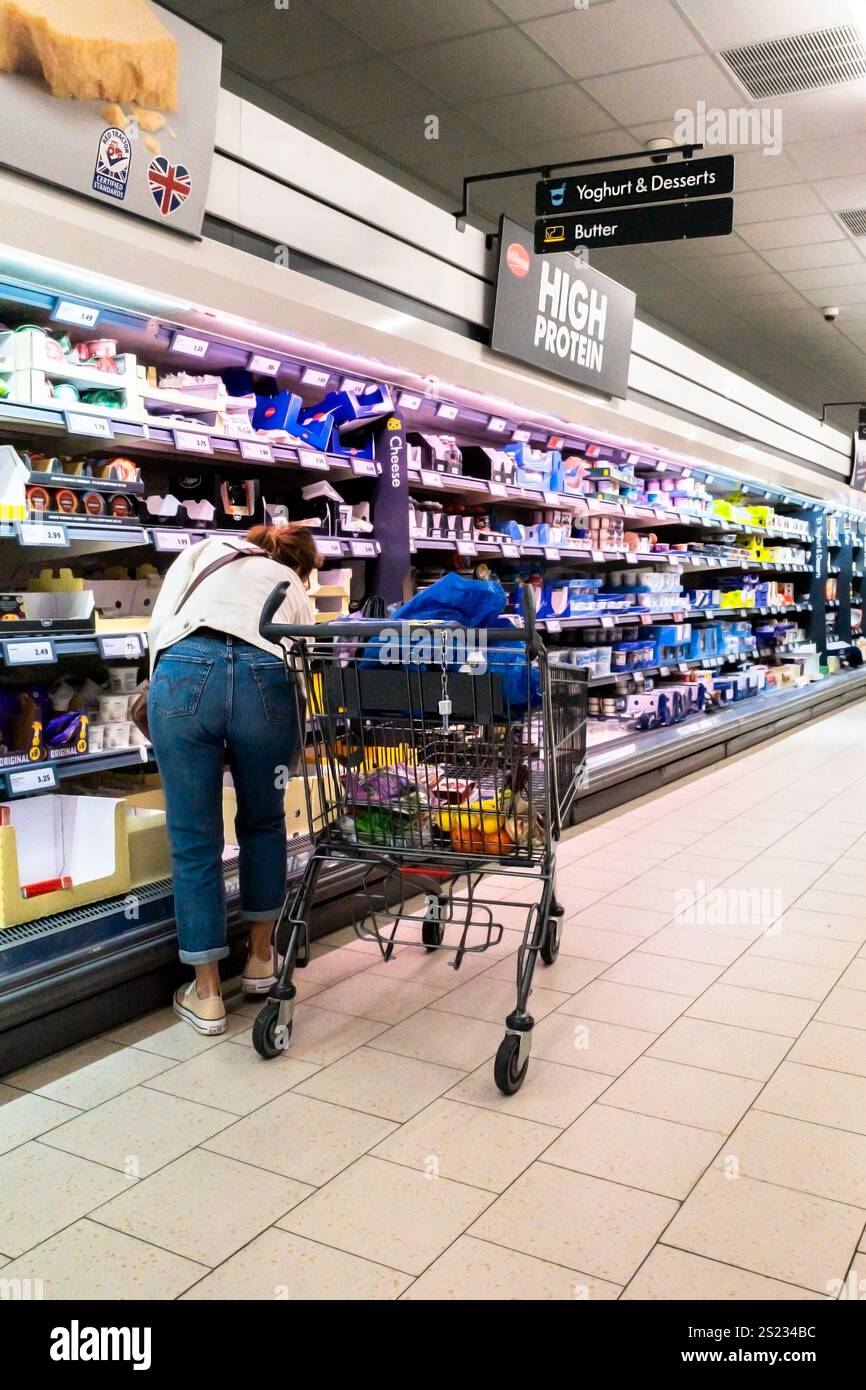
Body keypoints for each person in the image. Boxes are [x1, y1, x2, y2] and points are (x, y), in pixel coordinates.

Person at [146, 523, 320, 1035]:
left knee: (194, 840)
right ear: (300, 564)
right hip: (266, 682)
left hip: (183, 674)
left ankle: (206, 996)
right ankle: (262, 961)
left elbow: (160, 630)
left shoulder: (202, 550)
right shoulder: (289, 583)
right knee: (264, 824)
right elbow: (305, 659)